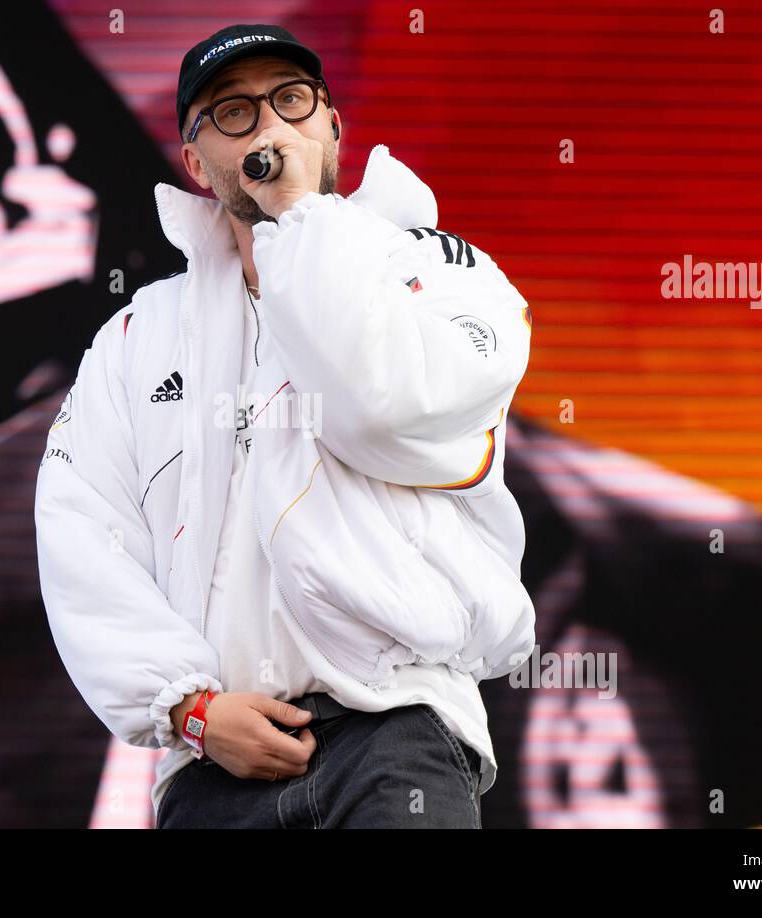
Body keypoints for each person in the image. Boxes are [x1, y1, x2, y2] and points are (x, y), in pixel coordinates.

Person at [35, 23, 536, 828]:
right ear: (196, 161)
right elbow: (80, 531)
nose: (269, 125)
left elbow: (378, 407)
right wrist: (190, 710)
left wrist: (301, 219)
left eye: (291, 100)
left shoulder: (440, 273)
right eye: (233, 112)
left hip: (399, 730)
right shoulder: (135, 337)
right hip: (213, 765)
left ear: (333, 124)